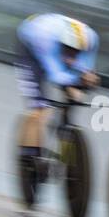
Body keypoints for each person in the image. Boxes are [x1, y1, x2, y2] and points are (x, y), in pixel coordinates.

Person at [14, 13, 99, 204]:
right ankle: (29, 161)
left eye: (76, 52)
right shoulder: (45, 39)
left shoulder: (91, 39)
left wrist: (85, 81)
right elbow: (55, 75)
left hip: (53, 42)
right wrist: (76, 81)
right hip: (31, 48)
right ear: (61, 45)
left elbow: (85, 71)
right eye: (68, 51)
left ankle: (65, 135)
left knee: (74, 95)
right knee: (39, 110)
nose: (72, 56)